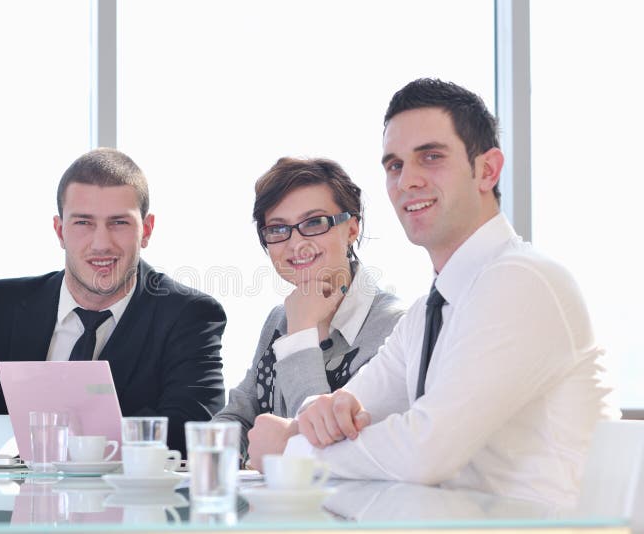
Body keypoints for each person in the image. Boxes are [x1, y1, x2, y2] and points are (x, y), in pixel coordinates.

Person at [247, 79, 618, 506]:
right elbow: (337, 408)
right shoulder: (431, 310)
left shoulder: (522, 281)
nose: (408, 180)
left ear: (488, 170)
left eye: (432, 157)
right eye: (395, 165)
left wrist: (293, 449)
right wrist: (306, 426)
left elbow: (425, 451)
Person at [0, 148, 227, 454]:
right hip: (2, 499)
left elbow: (191, 433)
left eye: (119, 223)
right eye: (83, 223)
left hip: (128, 500)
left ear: (146, 231)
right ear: (60, 231)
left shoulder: (189, 315)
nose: (101, 243)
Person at [213, 157, 404, 462]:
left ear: (352, 228)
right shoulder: (279, 319)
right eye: (277, 229)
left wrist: (301, 333)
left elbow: (325, 446)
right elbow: (236, 418)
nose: (296, 243)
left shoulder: (394, 326)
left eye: (315, 222)